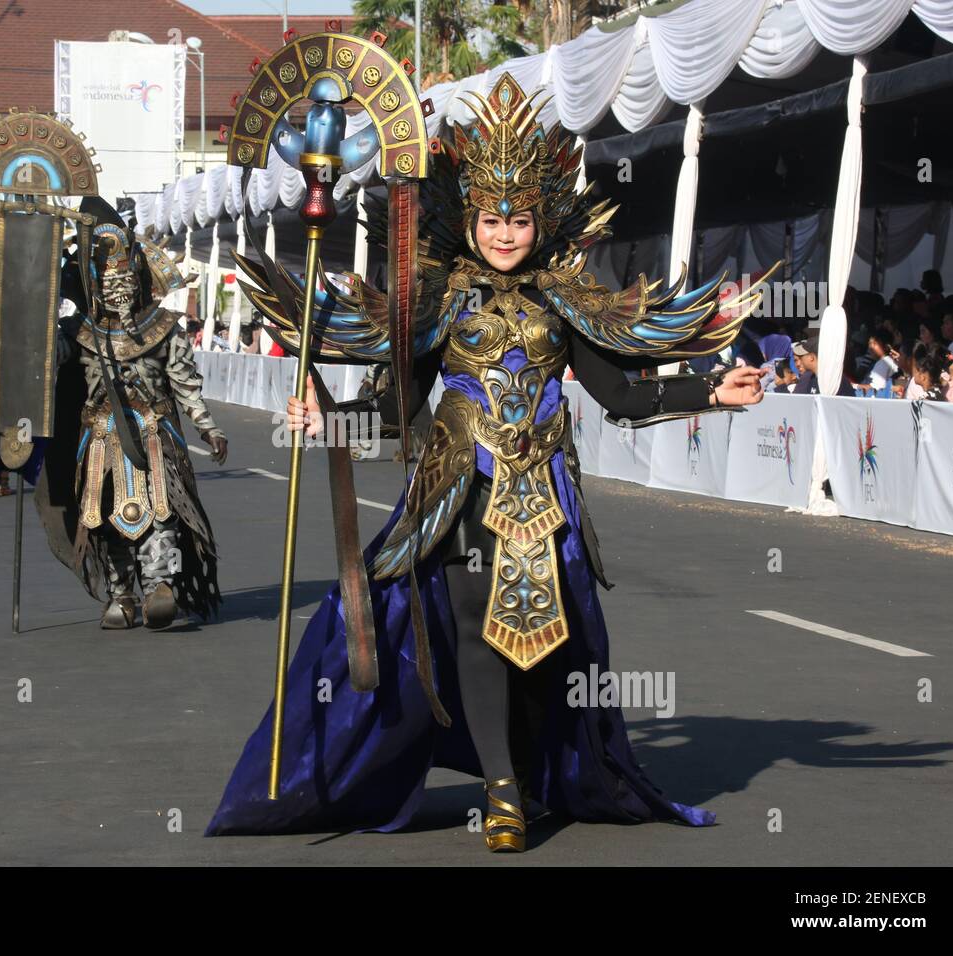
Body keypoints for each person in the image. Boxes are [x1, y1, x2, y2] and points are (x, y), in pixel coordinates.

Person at [206, 73, 765, 852]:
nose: (506, 232)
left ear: (543, 221)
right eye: (492, 217)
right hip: (459, 493)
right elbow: (397, 410)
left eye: (520, 218)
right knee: (475, 632)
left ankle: (536, 773)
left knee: (548, 645)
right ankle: (502, 796)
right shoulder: (434, 301)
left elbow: (623, 397)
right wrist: (326, 421)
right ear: (467, 218)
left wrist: (714, 390)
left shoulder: (567, 301)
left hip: (548, 498)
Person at [35, 198, 227, 631]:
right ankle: (120, 594)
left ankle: (159, 585)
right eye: (109, 279)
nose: (118, 286)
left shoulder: (165, 329)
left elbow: (185, 384)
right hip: (98, 440)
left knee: (162, 513)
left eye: (125, 277)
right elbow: (48, 363)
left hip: (156, 438)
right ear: (94, 284)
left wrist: (207, 426)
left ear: (139, 277)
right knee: (103, 517)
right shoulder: (77, 332)